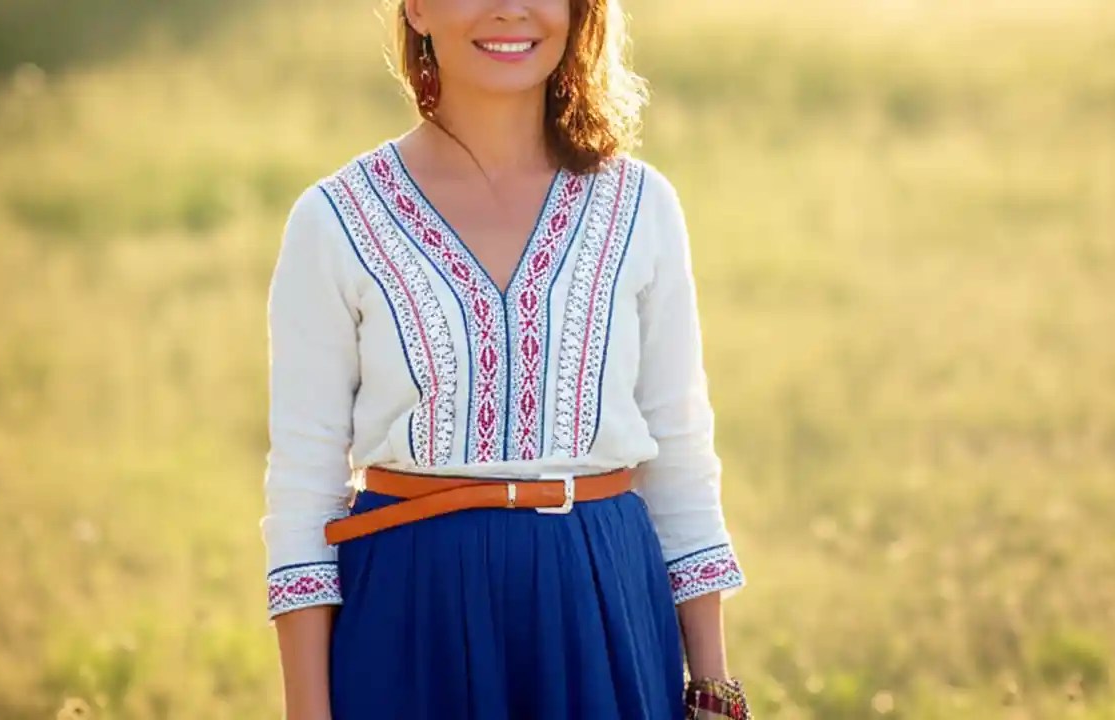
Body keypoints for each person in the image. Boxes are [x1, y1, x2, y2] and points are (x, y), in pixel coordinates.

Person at [260, 1, 749, 717]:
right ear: (417, 7)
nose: (511, 8)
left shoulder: (641, 206)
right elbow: (304, 487)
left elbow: (679, 455)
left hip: (603, 607)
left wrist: (710, 688)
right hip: (409, 617)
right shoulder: (334, 221)